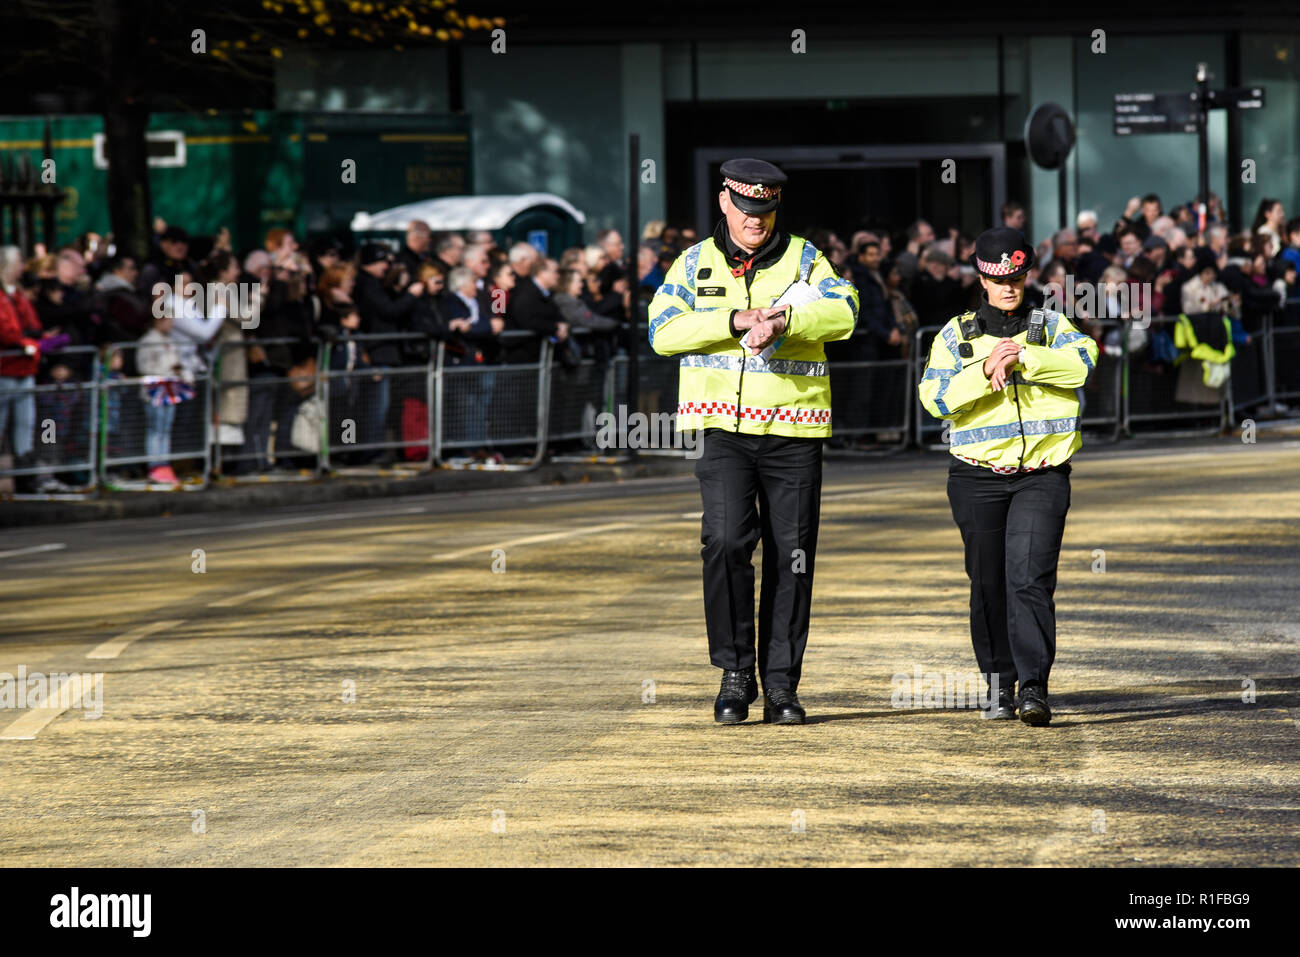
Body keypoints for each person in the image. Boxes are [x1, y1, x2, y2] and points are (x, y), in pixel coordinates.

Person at [648, 157, 858, 725]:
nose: (755, 222)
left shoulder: (805, 258)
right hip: (723, 433)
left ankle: (783, 686)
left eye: (765, 211)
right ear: (724, 202)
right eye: (745, 210)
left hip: (792, 432)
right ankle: (735, 673)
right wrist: (735, 318)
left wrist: (787, 320)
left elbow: (845, 310)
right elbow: (662, 330)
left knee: (792, 559)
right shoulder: (693, 263)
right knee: (724, 544)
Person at [918, 226, 1098, 726]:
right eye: (998, 279)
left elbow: (1085, 363)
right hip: (976, 478)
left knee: (1030, 577)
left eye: (1016, 277)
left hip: (1042, 474)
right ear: (981, 276)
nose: (1008, 288)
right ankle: (1000, 685)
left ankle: (1034, 685)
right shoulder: (956, 334)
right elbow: (932, 397)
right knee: (988, 583)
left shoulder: (1051, 324)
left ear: (1027, 274)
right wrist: (982, 371)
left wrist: (1028, 358)